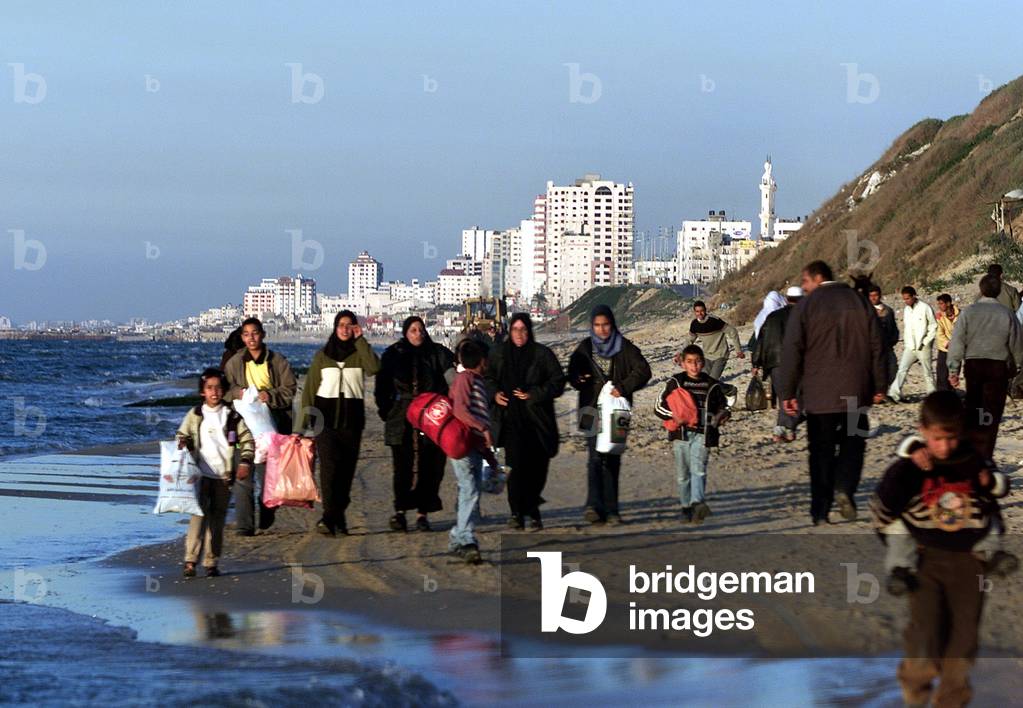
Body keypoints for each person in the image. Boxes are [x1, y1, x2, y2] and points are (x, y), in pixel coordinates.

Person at [870, 391, 1011, 708]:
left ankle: (952, 701)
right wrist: (909, 460)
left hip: (969, 563)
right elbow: (885, 505)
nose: (944, 447)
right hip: (925, 561)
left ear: (960, 433)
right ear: (922, 431)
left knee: (963, 641)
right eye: (937, 439)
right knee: (926, 637)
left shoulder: (972, 461)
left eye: (951, 438)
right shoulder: (913, 466)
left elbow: (995, 496)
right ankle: (915, 695)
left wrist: (989, 482)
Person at [778, 260, 886, 525]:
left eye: (804, 282)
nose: (803, 288)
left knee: (821, 452)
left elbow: (792, 351)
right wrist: (880, 385)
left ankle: (820, 511)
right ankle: (845, 488)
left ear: (816, 278)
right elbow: (878, 346)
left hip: (819, 394)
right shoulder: (858, 301)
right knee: (853, 443)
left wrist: (787, 393)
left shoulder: (807, 306)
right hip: (855, 389)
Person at [568, 304, 652, 524]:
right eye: (597, 325)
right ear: (592, 326)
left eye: (605, 325)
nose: (602, 329)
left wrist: (623, 387)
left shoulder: (624, 346)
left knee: (613, 456)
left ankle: (612, 510)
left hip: (618, 409)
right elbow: (572, 372)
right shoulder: (585, 347)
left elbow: (644, 370)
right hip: (589, 408)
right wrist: (579, 379)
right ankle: (593, 507)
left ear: (612, 324)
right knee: (594, 458)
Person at [300, 310, 381, 537]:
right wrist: (301, 426)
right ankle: (328, 516)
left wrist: (361, 339)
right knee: (329, 469)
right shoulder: (322, 356)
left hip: (352, 421)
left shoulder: (359, 354)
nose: (345, 329)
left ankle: (338, 516)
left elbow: (375, 368)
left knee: (346, 472)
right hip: (324, 421)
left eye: (350, 325)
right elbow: (309, 391)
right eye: (341, 325)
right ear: (335, 328)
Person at [486, 313, 566, 530]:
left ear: (529, 331)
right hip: (511, 421)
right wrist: (494, 395)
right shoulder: (499, 354)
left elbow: (558, 381)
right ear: (509, 331)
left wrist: (535, 394)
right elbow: (488, 378)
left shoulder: (542, 354)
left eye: (523, 329)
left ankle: (532, 507)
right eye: (515, 329)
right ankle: (516, 513)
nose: (519, 334)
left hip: (538, 421)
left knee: (538, 470)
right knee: (516, 468)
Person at [375, 316, 455, 533]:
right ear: (406, 332)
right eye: (413, 330)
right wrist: (387, 409)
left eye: (420, 329)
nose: (417, 334)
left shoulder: (437, 353)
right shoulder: (394, 354)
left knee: (430, 466)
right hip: (401, 418)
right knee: (402, 466)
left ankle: (422, 513)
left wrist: (449, 408)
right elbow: (382, 385)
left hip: (432, 419)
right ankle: (400, 512)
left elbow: (452, 382)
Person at [176, 368, 255, 578]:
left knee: (217, 521)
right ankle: (190, 561)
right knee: (198, 518)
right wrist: (183, 444)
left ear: (224, 391)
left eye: (218, 388)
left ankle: (211, 562)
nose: (214, 392)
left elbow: (247, 440)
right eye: (209, 388)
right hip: (200, 476)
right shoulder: (195, 415)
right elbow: (181, 435)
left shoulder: (232, 416)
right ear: (202, 391)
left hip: (223, 478)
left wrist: (245, 462)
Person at [222, 317, 298, 535]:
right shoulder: (235, 363)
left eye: (255, 333)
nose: (251, 338)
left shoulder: (277, 361)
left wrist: (270, 396)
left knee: (269, 477)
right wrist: (237, 393)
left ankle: (267, 511)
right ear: (242, 337)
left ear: (262, 334)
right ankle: (245, 525)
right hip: (242, 426)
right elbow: (223, 391)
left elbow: (290, 388)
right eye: (246, 334)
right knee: (243, 474)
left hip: (272, 426)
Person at [946, 274, 1023, 461]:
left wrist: (953, 370)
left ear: (981, 290)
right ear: (998, 291)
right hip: (997, 369)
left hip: (974, 367)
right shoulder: (1008, 314)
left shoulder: (968, 313)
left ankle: (971, 452)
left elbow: (957, 342)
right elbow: (1017, 346)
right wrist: (1017, 368)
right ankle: (986, 455)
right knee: (992, 413)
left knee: (974, 409)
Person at [654, 344, 730, 523]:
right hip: (681, 435)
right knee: (683, 474)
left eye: (697, 361)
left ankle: (698, 504)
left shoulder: (712, 384)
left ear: (703, 363)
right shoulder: (675, 382)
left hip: (703, 433)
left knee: (699, 470)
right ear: (682, 364)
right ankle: (686, 508)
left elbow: (723, 406)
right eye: (689, 362)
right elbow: (659, 407)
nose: (694, 365)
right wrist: (674, 416)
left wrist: (722, 416)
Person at [448, 340, 492, 564]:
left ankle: (458, 536)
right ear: (482, 360)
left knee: (472, 490)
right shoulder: (465, 379)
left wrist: (489, 454)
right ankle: (466, 539)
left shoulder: (476, 381)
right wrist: (482, 428)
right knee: (470, 489)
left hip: (473, 446)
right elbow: (460, 410)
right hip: (462, 444)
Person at [751, 285, 803, 442]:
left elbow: (761, 341)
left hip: (774, 364)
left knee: (784, 397)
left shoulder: (772, 317)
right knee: (798, 397)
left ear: (787, 299)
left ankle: (781, 429)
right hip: (797, 362)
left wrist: (756, 363)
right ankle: (788, 428)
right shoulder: (804, 316)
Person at [887, 286, 937, 403]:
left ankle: (932, 397)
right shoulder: (906, 310)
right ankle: (894, 394)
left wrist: (925, 341)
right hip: (910, 346)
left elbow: (933, 326)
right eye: (904, 299)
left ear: (914, 296)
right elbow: (907, 328)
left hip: (923, 347)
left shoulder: (925, 308)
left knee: (927, 372)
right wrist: (907, 342)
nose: (906, 301)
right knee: (902, 369)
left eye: (908, 298)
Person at [683, 301, 743, 380]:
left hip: (720, 355)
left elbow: (732, 331)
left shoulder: (714, 321)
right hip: (707, 356)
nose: (700, 313)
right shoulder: (694, 324)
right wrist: (681, 353)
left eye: (702, 311)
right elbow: (689, 340)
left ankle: (728, 390)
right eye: (697, 311)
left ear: (705, 310)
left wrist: (738, 350)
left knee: (712, 380)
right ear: (695, 312)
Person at [867, 285, 899, 390]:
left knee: (892, 368)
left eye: (875, 295)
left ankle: (892, 392)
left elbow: (894, 328)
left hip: (887, 346)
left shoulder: (888, 311)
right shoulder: (866, 311)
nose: (873, 298)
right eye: (871, 296)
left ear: (880, 296)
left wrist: (892, 341)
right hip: (872, 348)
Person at [934, 294, 960, 392]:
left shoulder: (961, 315)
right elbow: (939, 333)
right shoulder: (940, 317)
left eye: (941, 303)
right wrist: (948, 343)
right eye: (939, 304)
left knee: (953, 375)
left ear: (948, 303)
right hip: (944, 349)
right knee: (942, 374)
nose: (939, 306)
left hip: (957, 349)